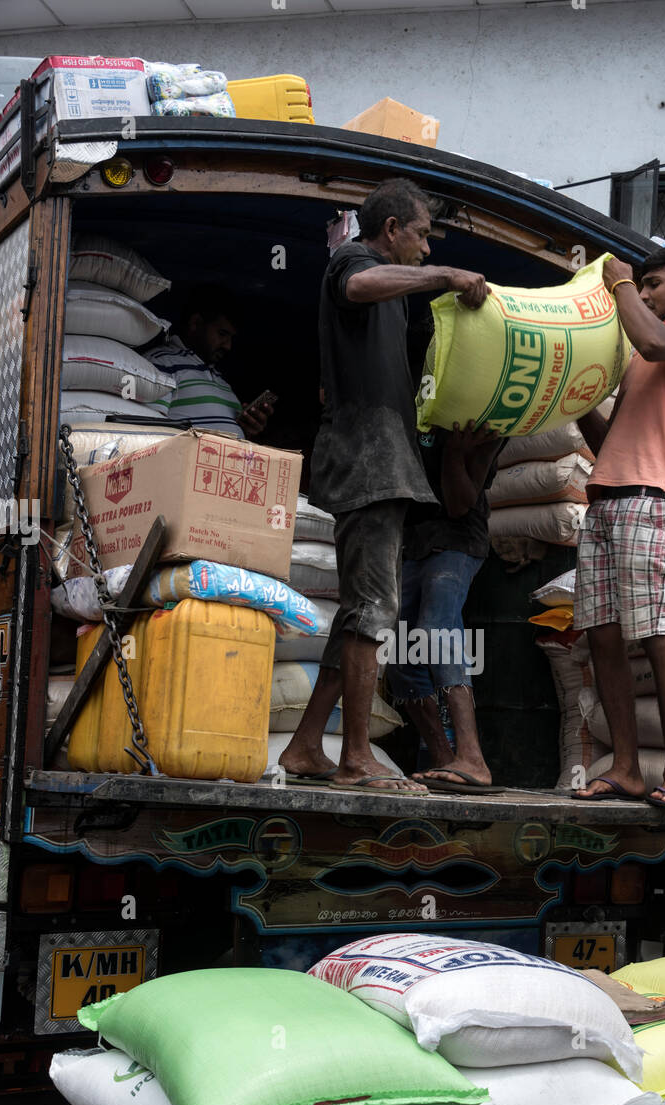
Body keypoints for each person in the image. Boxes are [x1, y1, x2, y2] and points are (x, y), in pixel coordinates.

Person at [277, 177, 489, 793]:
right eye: (421, 235)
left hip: (380, 459)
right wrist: (445, 276)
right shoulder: (357, 259)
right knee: (373, 612)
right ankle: (356, 760)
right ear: (392, 229)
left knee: (357, 615)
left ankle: (306, 746)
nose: (426, 249)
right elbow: (355, 285)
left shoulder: (393, 297)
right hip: (367, 462)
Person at [571, 244, 665, 807]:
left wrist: (619, 284)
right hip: (607, 496)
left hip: (655, 498)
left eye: (653, 283)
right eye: (643, 285)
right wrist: (577, 399)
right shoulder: (639, 358)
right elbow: (608, 443)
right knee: (602, 636)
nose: (645, 291)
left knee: (656, 630)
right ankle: (628, 769)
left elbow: (657, 341)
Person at [386, 419, 501, 793]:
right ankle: (442, 758)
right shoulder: (417, 410)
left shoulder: (490, 425)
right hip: (412, 543)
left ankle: (472, 757)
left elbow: (459, 503)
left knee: (436, 631)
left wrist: (454, 450)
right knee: (401, 656)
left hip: (457, 541)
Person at [146, 285, 273, 439]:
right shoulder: (162, 363)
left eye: (231, 338)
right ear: (196, 323)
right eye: (222, 334)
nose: (228, 346)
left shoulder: (221, 380)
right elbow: (150, 430)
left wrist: (247, 428)